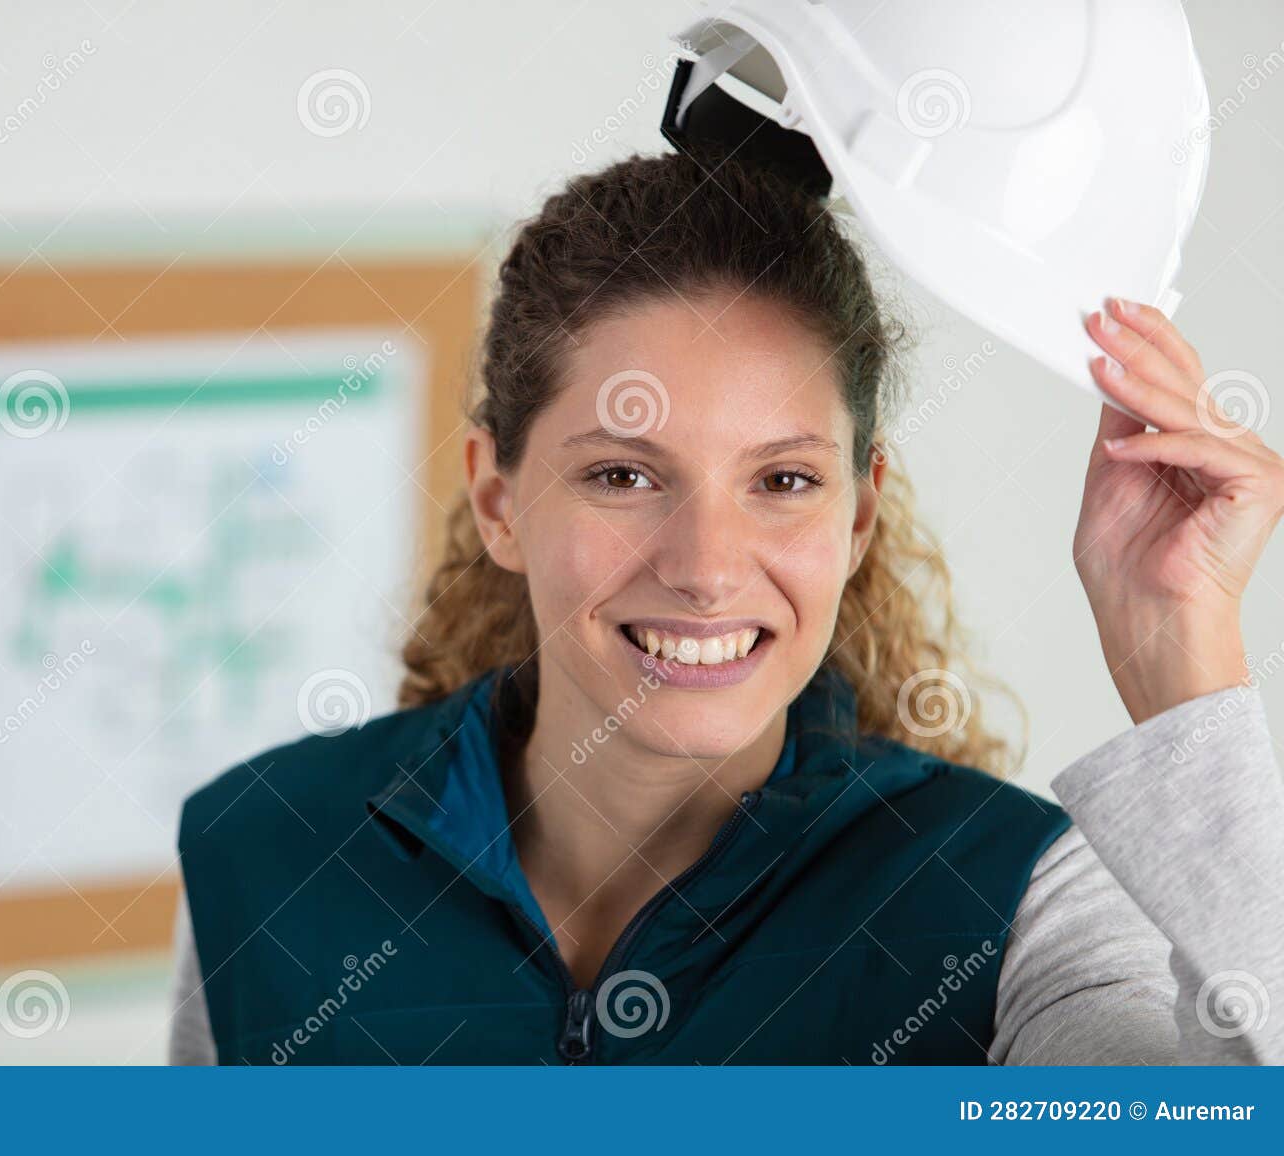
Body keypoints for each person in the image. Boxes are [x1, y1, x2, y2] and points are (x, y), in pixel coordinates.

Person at [168, 150, 1284, 1065]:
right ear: (497, 496)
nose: (706, 566)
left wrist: (1180, 648)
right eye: (622, 474)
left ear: (858, 517)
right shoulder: (262, 849)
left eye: (783, 481)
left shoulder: (1024, 906)